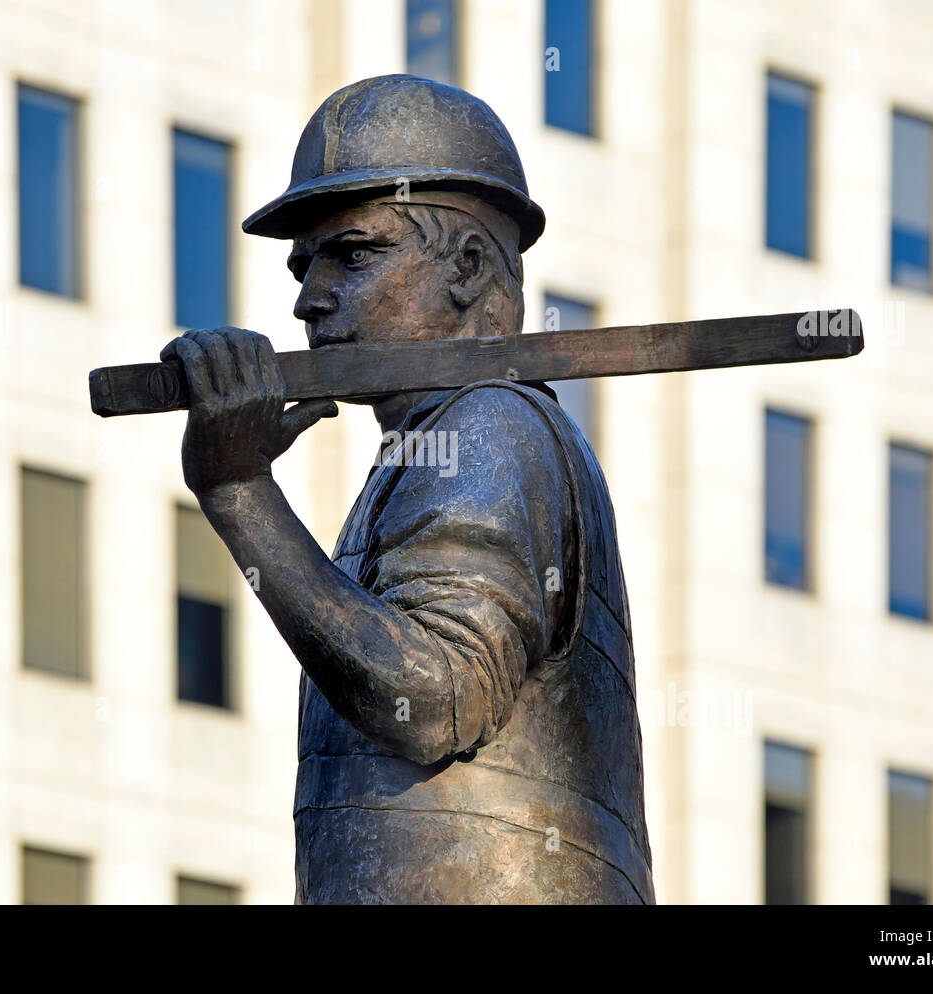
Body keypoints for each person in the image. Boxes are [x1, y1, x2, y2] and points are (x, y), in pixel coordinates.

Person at [162, 75, 653, 904]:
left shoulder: (491, 424)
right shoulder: (433, 445)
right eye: (304, 264)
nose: (310, 297)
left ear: (466, 269)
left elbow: (431, 699)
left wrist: (243, 494)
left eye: (353, 253)